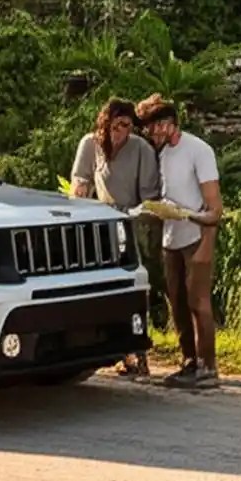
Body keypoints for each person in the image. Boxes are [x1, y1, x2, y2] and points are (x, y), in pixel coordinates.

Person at [69, 97, 162, 380]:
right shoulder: (90, 144)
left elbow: (149, 197)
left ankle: (139, 354)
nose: (123, 131)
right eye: (118, 125)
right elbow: (79, 182)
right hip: (98, 225)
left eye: (128, 126)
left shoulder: (140, 149)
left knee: (132, 290)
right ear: (106, 124)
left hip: (130, 224)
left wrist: (132, 215)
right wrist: (80, 198)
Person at [135, 93, 223, 389]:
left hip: (195, 236)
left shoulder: (198, 150)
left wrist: (199, 230)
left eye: (157, 126)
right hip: (171, 238)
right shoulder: (163, 154)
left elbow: (214, 208)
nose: (153, 133)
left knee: (198, 301)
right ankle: (189, 361)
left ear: (171, 123)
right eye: (148, 128)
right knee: (178, 304)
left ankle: (208, 366)